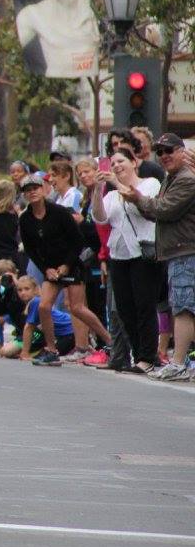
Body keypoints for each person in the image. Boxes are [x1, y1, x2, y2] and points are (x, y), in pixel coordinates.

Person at [122, 132, 195, 380]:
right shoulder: (171, 178)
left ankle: (178, 362)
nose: (164, 156)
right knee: (182, 306)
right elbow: (157, 212)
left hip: (186, 251)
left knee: (184, 308)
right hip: (177, 252)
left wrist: (139, 198)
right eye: (160, 152)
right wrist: (140, 202)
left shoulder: (186, 179)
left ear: (182, 152)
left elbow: (165, 209)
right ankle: (185, 361)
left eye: (169, 150)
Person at [18, 172, 108, 366]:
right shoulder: (25, 219)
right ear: (24, 195)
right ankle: (51, 349)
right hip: (50, 268)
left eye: (35, 188)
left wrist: (67, 265)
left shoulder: (58, 212)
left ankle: (111, 342)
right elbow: (31, 249)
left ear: (43, 190)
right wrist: (46, 269)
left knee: (77, 308)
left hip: (72, 264)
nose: (32, 193)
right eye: (28, 190)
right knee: (43, 306)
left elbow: (77, 241)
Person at [91, 148, 161, 374]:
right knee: (125, 309)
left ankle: (148, 356)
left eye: (121, 161)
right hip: (119, 255)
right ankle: (138, 353)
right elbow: (101, 218)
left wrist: (115, 183)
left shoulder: (149, 184)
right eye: (112, 164)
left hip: (143, 253)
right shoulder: (111, 194)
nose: (116, 167)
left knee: (144, 305)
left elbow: (140, 207)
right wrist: (97, 189)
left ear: (134, 162)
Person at [12, 276, 77, 360]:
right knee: (40, 354)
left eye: (27, 289)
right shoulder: (32, 302)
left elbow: (28, 328)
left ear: (35, 289)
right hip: (62, 335)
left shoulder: (36, 301)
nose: (23, 293)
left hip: (69, 334)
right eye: (20, 290)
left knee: (47, 355)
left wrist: (25, 352)